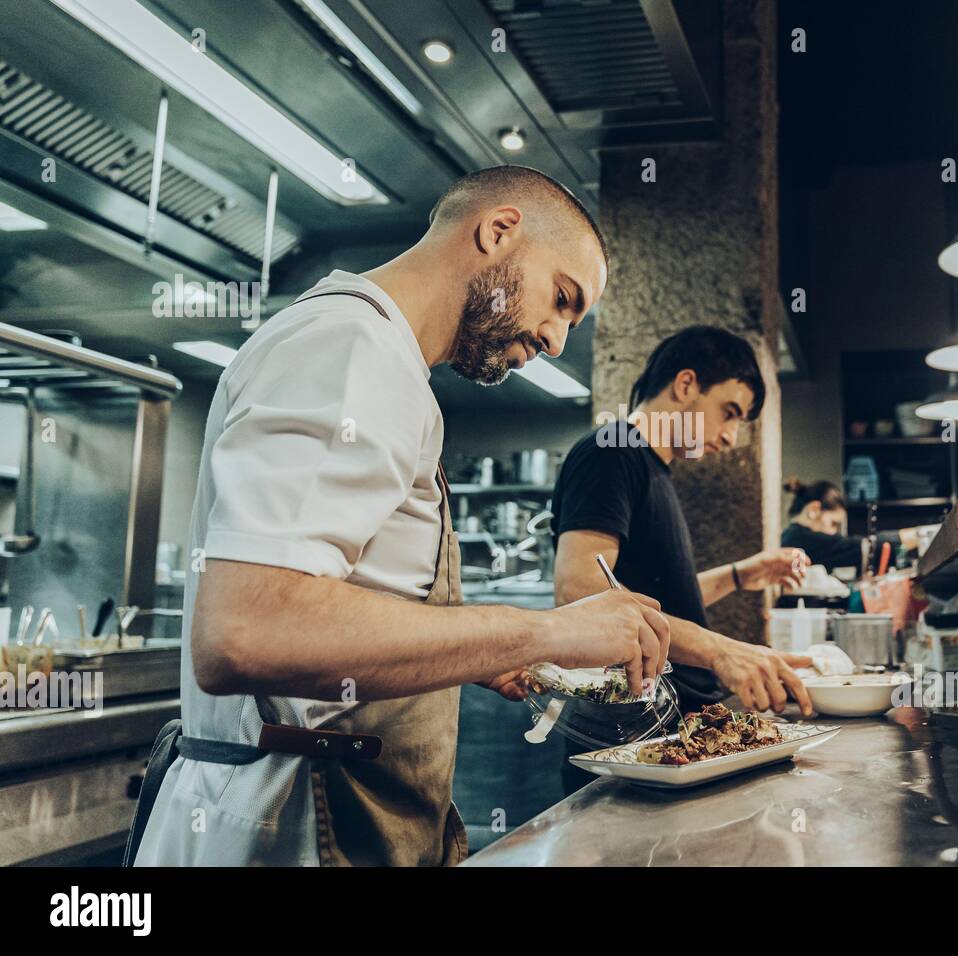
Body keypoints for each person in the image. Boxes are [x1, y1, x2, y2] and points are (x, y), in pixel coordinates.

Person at [130, 165, 670, 867]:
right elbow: (245, 629)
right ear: (499, 230)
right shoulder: (350, 348)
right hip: (292, 825)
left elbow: (334, 607)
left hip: (341, 809)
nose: (558, 339)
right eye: (562, 299)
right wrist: (548, 627)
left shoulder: (385, 361)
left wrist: (487, 652)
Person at [551, 326, 813, 724]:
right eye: (729, 413)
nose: (730, 437)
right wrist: (719, 650)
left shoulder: (654, 469)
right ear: (687, 384)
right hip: (631, 733)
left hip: (676, 722)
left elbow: (660, 606)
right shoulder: (611, 452)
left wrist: (742, 574)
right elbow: (580, 592)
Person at [781, 478, 919, 576]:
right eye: (833, 523)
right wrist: (921, 535)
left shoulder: (791, 535)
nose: (834, 532)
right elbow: (860, 547)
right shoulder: (801, 539)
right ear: (814, 509)